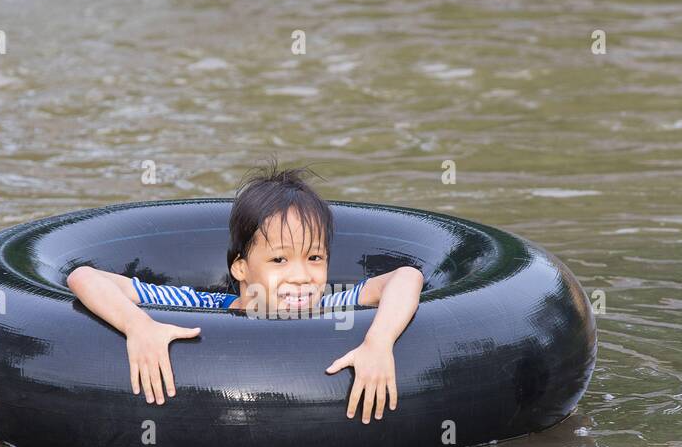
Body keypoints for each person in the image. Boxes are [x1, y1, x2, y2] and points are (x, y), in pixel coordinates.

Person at [67, 165, 425, 423]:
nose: (301, 277)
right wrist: (138, 326)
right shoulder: (202, 307)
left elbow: (406, 277)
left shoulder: (331, 304)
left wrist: (379, 342)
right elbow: (84, 277)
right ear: (240, 268)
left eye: (315, 258)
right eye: (279, 259)